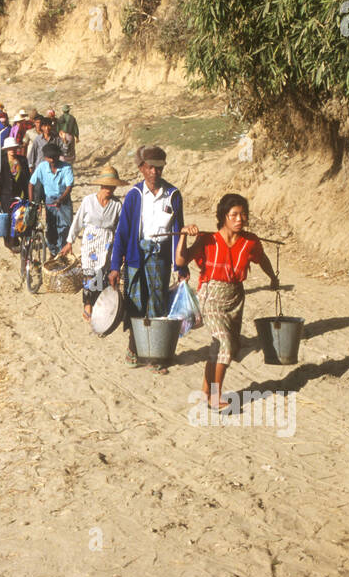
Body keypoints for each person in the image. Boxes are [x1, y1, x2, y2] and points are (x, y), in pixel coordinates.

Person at [177, 194, 279, 409]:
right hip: (211, 295)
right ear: (223, 217)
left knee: (220, 348)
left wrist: (273, 277)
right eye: (234, 215)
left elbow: (262, 259)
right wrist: (183, 236)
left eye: (243, 215)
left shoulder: (250, 241)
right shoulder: (208, 240)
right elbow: (181, 260)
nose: (239, 219)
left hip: (235, 298)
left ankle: (205, 392)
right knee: (225, 343)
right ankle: (215, 397)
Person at [107, 146, 187, 373]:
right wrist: (115, 266)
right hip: (135, 257)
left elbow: (179, 232)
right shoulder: (134, 195)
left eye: (159, 167)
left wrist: (181, 265)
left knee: (157, 304)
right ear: (142, 168)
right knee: (135, 304)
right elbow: (122, 233)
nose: (154, 172)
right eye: (150, 167)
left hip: (159, 260)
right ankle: (134, 348)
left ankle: (155, 356)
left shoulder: (172, 195)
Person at [61, 166, 128, 322]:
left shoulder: (117, 205)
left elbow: (120, 229)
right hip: (90, 241)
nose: (109, 190)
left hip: (107, 243)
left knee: (102, 275)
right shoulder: (88, 201)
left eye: (112, 187)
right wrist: (69, 241)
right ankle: (88, 303)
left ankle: (99, 303)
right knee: (89, 274)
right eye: (107, 186)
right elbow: (77, 222)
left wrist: (121, 249)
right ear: (101, 186)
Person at [32, 142, 74, 257]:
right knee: (51, 228)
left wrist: (61, 199)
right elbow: (31, 183)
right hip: (50, 200)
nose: (52, 160)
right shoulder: (42, 167)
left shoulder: (66, 167)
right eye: (50, 158)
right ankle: (53, 251)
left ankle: (62, 253)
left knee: (65, 227)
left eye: (55, 157)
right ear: (46, 158)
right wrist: (32, 202)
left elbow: (69, 186)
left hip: (64, 200)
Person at [0, 136, 29, 251]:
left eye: (13, 148)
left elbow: (27, 178)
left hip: (19, 194)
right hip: (5, 195)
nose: (12, 150)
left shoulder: (22, 160)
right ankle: (8, 241)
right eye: (10, 148)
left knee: (18, 217)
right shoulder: (1, 161)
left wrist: (28, 194)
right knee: (7, 218)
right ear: (6, 150)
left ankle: (14, 240)